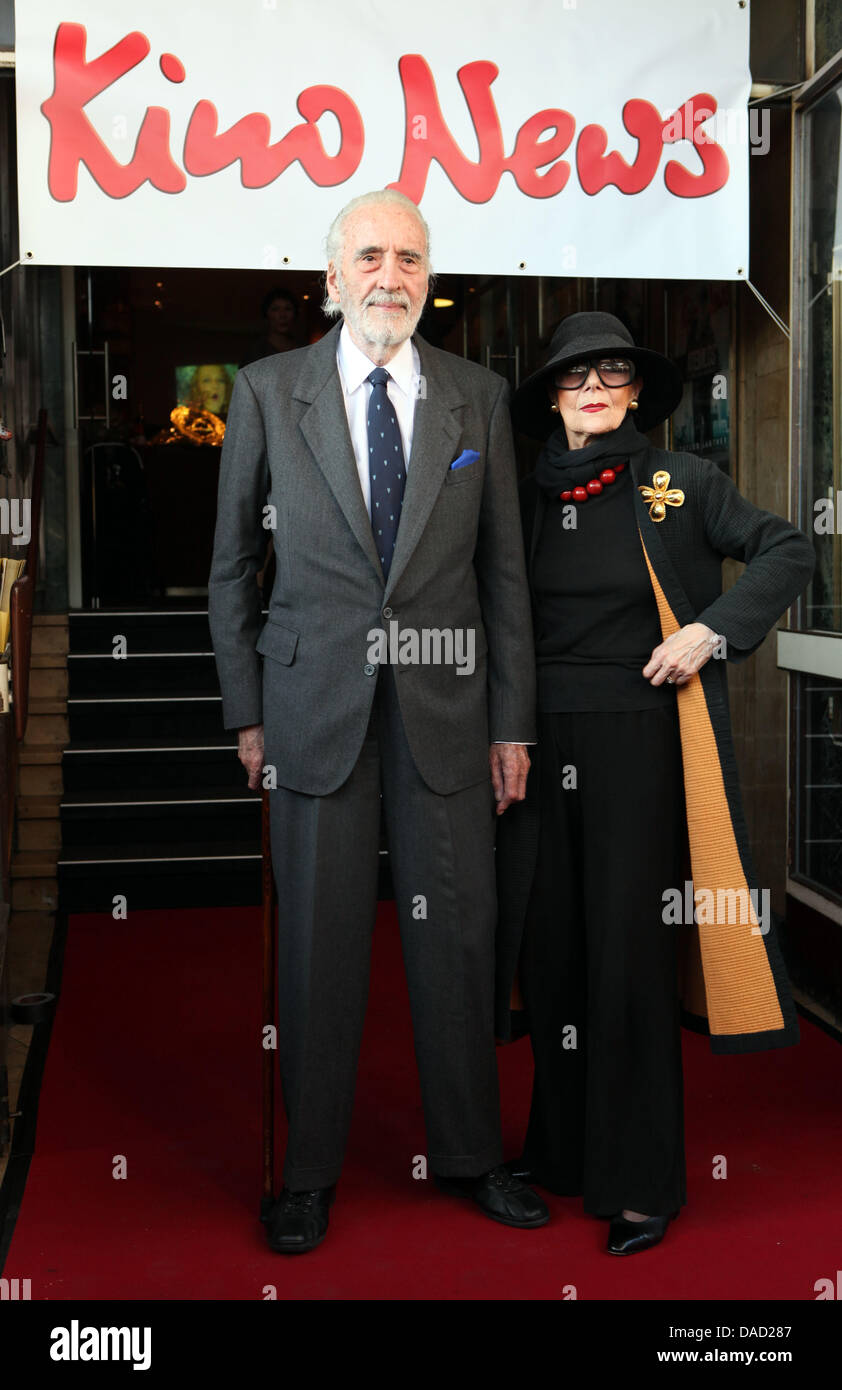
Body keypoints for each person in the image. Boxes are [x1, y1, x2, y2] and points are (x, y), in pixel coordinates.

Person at [208, 188, 548, 1254]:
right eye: (368, 255)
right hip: (311, 706)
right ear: (331, 277)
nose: (388, 274)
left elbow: (505, 579)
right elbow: (228, 571)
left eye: (407, 256)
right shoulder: (267, 391)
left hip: (447, 708)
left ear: (427, 274)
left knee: (458, 936)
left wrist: (513, 726)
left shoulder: (476, 398)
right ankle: (307, 1173)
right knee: (315, 948)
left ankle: (471, 1154)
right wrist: (246, 710)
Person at [495, 311, 815, 1256]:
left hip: (643, 743)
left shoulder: (682, 482)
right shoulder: (517, 497)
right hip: (536, 745)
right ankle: (559, 1150)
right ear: (551, 397)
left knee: (629, 957)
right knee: (552, 949)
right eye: (573, 376)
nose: (592, 389)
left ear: (635, 391)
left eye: (609, 374)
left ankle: (642, 1184)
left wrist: (710, 629)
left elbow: (789, 548)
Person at [240, 287, 301, 366]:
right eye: (275, 309)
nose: (282, 315)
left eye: (288, 309)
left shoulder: (302, 349)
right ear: (267, 314)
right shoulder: (256, 353)